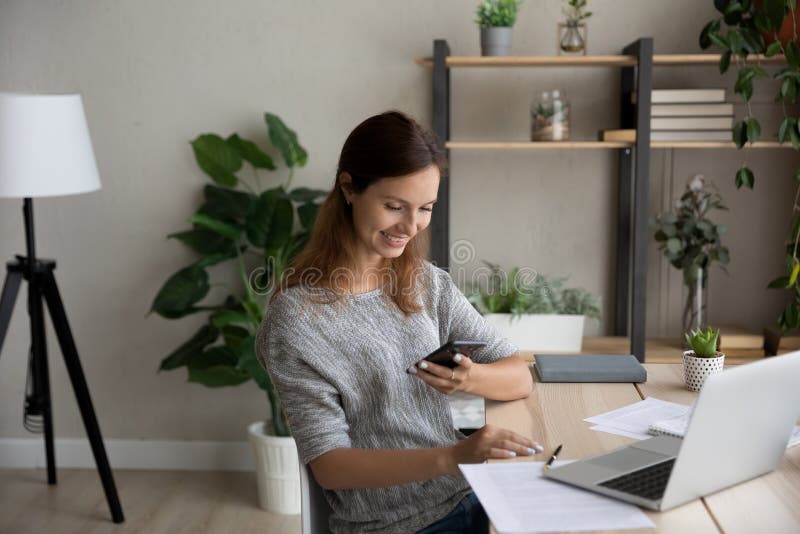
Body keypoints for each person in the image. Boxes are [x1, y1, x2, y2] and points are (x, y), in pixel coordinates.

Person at [256, 110, 539, 534]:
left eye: (425, 208)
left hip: (475, 496)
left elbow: (518, 376)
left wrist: (468, 378)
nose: (410, 227)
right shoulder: (296, 321)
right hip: (397, 525)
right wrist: (453, 456)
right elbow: (330, 466)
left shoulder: (427, 283)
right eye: (394, 206)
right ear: (349, 188)